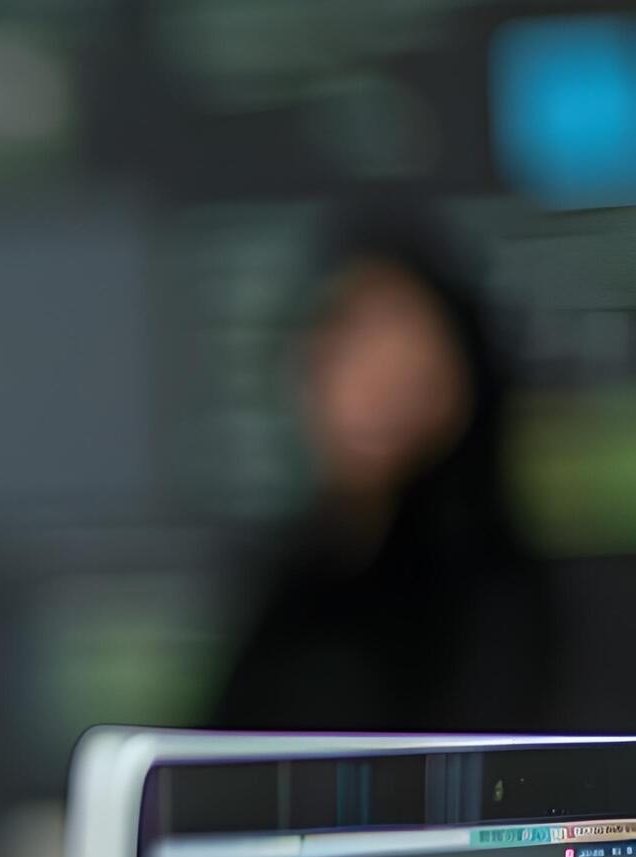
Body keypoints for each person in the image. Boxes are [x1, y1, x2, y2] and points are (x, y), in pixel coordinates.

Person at [209, 212, 565, 733]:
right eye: (343, 354)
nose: (367, 393)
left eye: (399, 366)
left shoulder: (495, 598)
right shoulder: (298, 575)